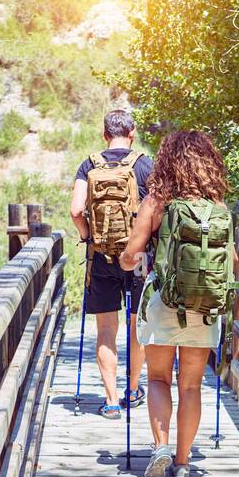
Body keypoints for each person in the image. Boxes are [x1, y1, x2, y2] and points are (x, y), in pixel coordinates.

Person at [119, 130, 239, 477]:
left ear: (168, 161)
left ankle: (161, 447)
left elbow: (131, 256)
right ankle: (183, 464)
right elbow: (232, 261)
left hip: (164, 302)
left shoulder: (157, 202)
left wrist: (129, 261)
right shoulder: (218, 209)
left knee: (157, 378)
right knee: (190, 386)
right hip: (204, 308)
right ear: (209, 164)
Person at [69, 109, 154, 418]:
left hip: (100, 257)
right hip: (139, 258)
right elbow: (157, 212)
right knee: (136, 327)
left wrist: (89, 238)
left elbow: (76, 211)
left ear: (105, 134)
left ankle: (112, 401)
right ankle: (133, 390)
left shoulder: (88, 165)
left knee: (106, 329)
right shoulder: (145, 165)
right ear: (132, 133)